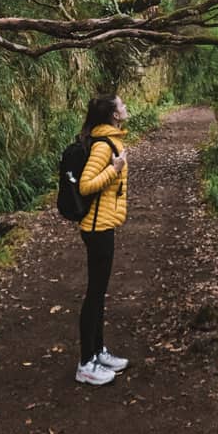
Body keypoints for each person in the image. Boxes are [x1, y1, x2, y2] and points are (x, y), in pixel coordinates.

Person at [75, 93, 130, 386]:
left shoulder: (110, 140)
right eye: (121, 105)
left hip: (104, 225)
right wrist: (114, 169)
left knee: (100, 292)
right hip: (96, 229)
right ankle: (85, 363)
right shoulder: (103, 145)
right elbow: (85, 186)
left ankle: (98, 351)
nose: (126, 107)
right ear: (114, 115)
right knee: (94, 294)